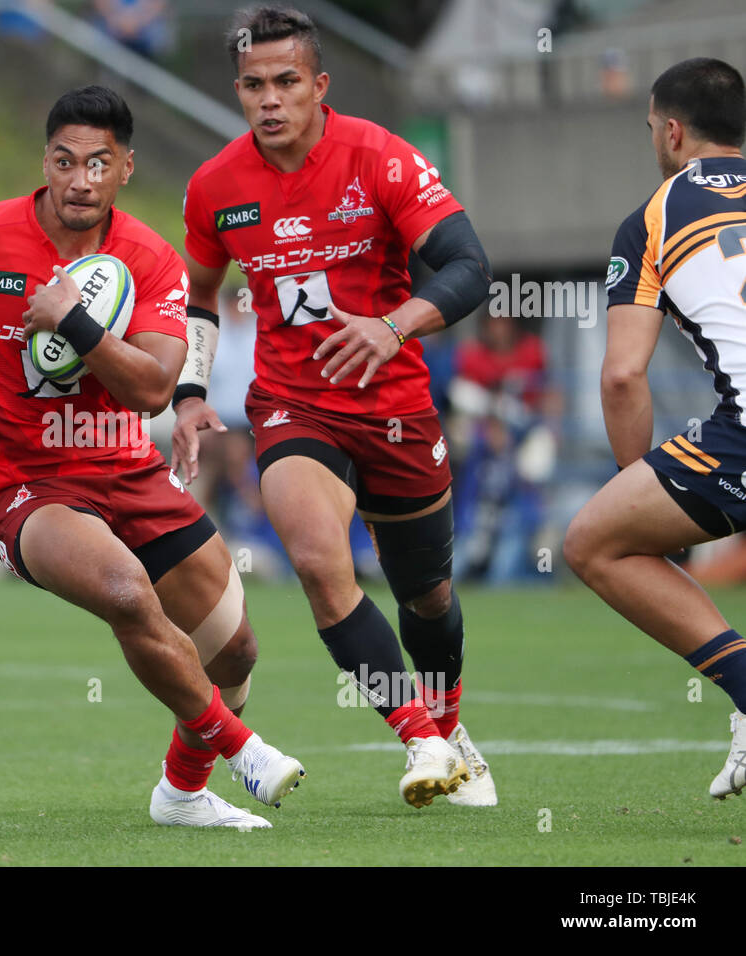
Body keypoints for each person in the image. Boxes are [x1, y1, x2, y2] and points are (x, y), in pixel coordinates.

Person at [0, 86, 305, 828]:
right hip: (26, 486)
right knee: (126, 593)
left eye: (98, 163)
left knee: (236, 650)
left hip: (128, 471)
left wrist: (73, 321)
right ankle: (242, 749)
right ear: (46, 162)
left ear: (126, 167)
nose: (79, 179)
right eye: (64, 161)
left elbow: (154, 389)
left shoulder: (153, 259)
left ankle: (182, 792)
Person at [172, 6, 497, 808]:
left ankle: (451, 726)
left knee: (427, 593)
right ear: (239, 91)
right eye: (254, 85)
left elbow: (467, 265)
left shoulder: (380, 157)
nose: (270, 99)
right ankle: (419, 738)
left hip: (395, 408)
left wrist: (395, 326)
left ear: (320, 85)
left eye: (287, 82)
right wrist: (188, 391)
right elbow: (201, 298)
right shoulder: (215, 186)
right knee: (320, 561)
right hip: (291, 404)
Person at [565, 57, 746, 800]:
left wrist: (634, 482)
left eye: (649, 127)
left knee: (594, 543)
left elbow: (622, 375)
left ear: (672, 131)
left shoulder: (655, 214)